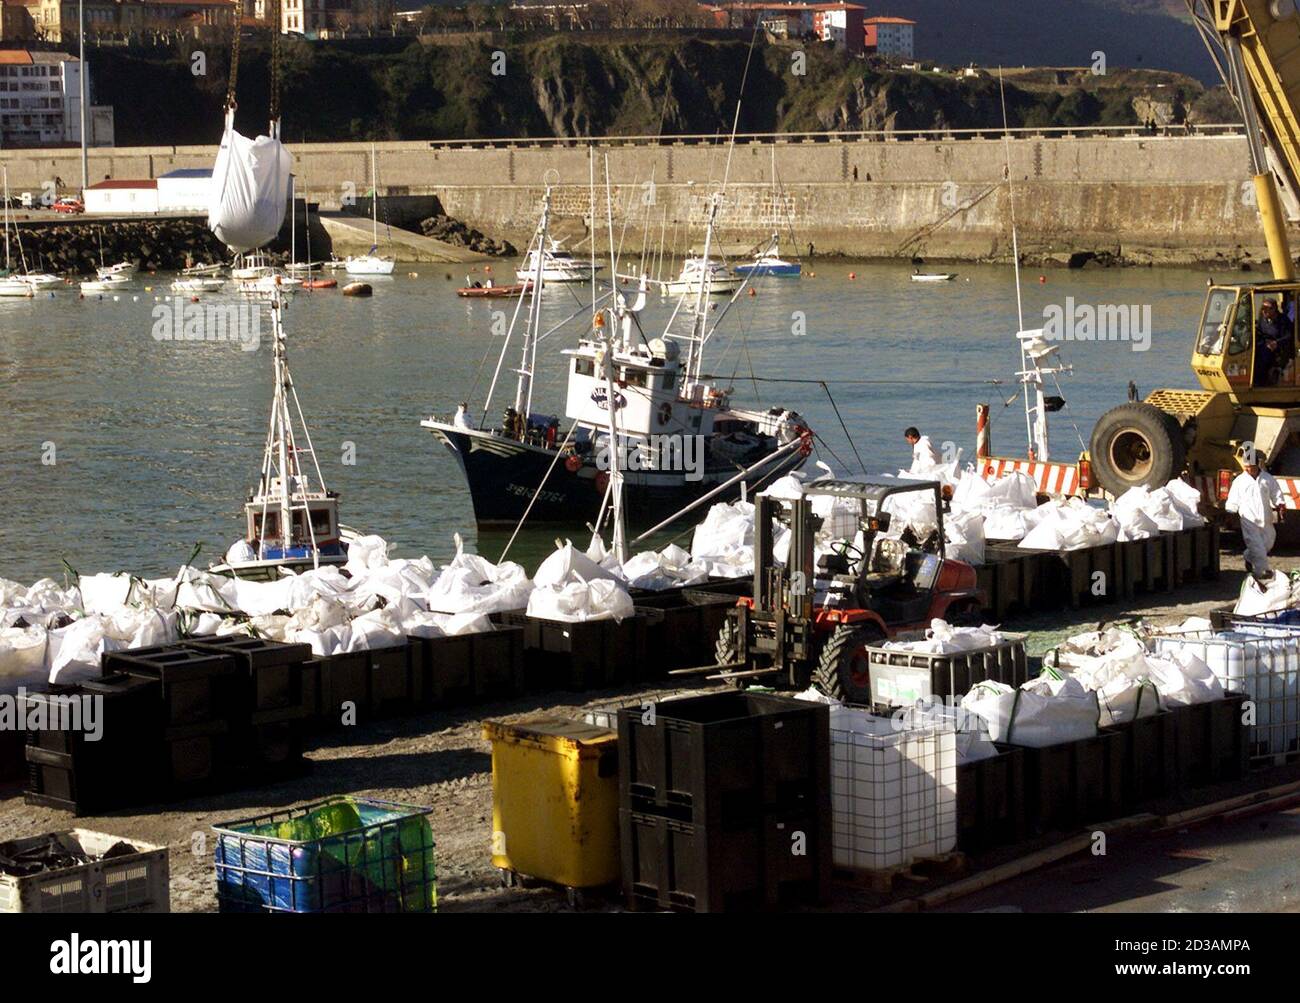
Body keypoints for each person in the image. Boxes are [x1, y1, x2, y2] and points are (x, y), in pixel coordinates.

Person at [1226, 462, 1286, 579]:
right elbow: (1233, 497)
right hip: (1248, 517)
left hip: (1265, 517)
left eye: (1251, 467)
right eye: (1246, 467)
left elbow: (1276, 493)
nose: (1248, 470)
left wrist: (1280, 504)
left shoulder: (1267, 479)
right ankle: (1262, 571)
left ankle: (1248, 555)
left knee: (1268, 542)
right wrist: (1231, 509)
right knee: (1256, 544)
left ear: (1257, 465)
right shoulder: (1239, 481)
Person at [1255, 297, 1294, 386]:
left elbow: (1289, 336)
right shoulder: (1262, 319)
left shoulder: (1283, 320)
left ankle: (1261, 383)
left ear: (1274, 309)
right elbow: (1260, 331)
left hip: (1279, 348)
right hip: (1264, 344)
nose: (1264, 311)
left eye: (1267, 308)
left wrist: (1276, 343)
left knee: (1263, 356)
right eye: (1263, 308)